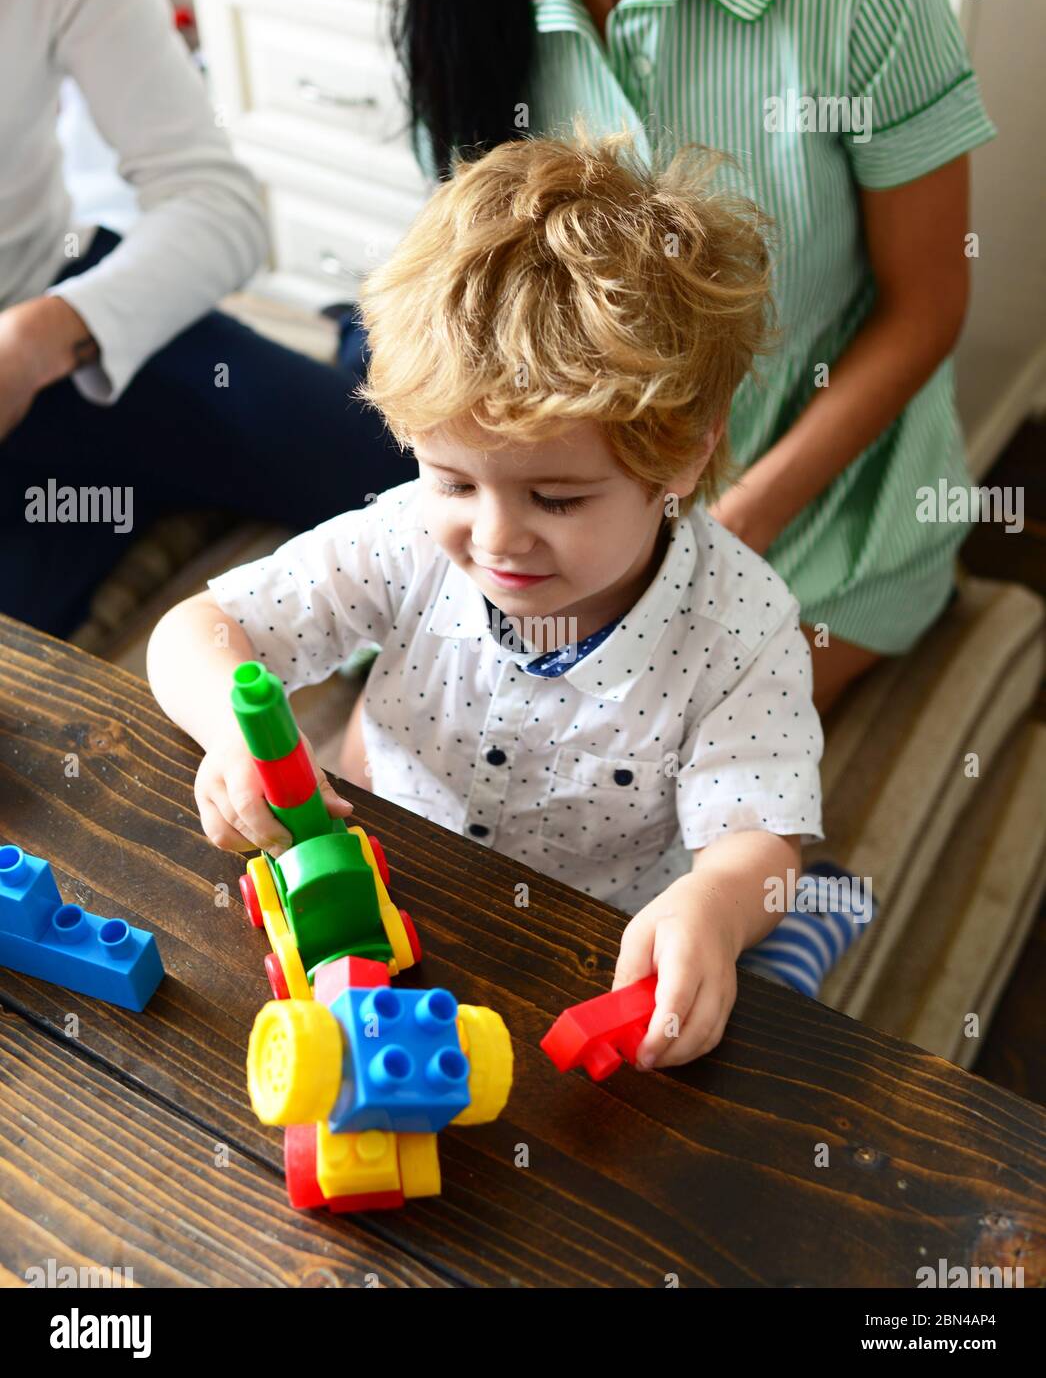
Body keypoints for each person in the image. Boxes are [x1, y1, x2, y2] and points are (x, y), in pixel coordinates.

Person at [148, 128, 835, 1069]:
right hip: (388, 875)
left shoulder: (743, 630)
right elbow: (196, 629)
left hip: (589, 935)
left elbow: (759, 844)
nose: (497, 536)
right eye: (454, 482)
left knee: (737, 1015)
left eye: (556, 498)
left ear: (681, 452)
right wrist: (234, 733)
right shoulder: (402, 536)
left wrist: (713, 906)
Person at [380, 0, 997, 713]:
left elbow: (926, 305)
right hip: (567, 499)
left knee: (631, 766)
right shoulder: (460, 14)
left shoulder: (865, 5)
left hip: (817, 519)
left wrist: (735, 529)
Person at [1, 0, 410, 638]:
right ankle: (119, 499)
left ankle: (359, 332)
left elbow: (219, 205)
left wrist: (32, 343)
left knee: (400, 477)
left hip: (63, 310)